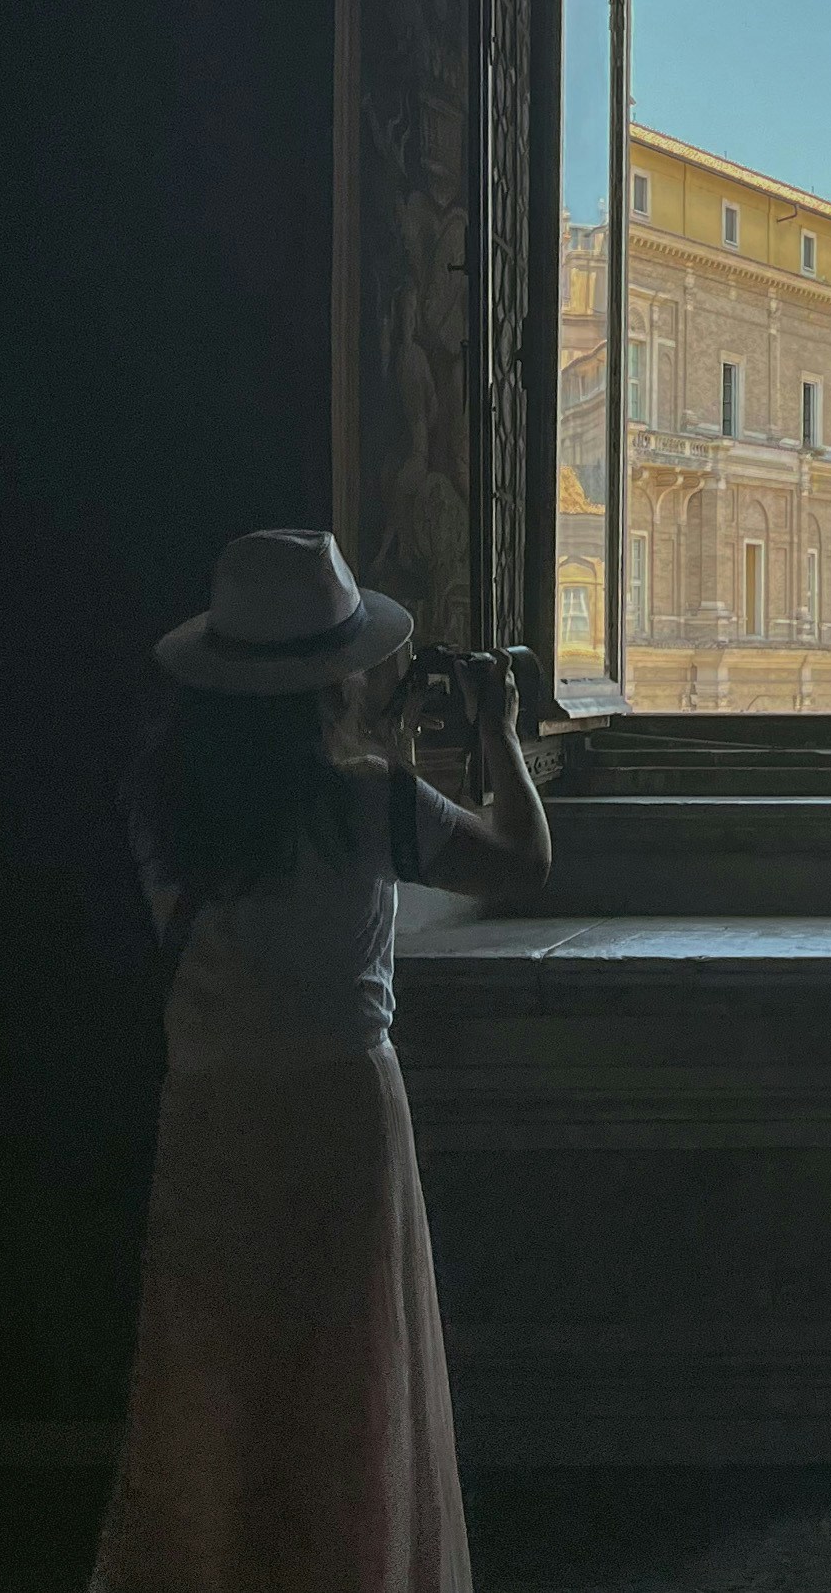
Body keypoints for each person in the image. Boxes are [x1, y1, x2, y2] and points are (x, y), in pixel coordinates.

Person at [94, 527, 552, 1593]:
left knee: (215, 1378)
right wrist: (498, 730)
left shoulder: (156, 805)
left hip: (209, 1112)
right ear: (331, 675)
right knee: (349, 1378)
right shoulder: (370, 800)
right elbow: (523, 859)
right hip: (342, 1118)